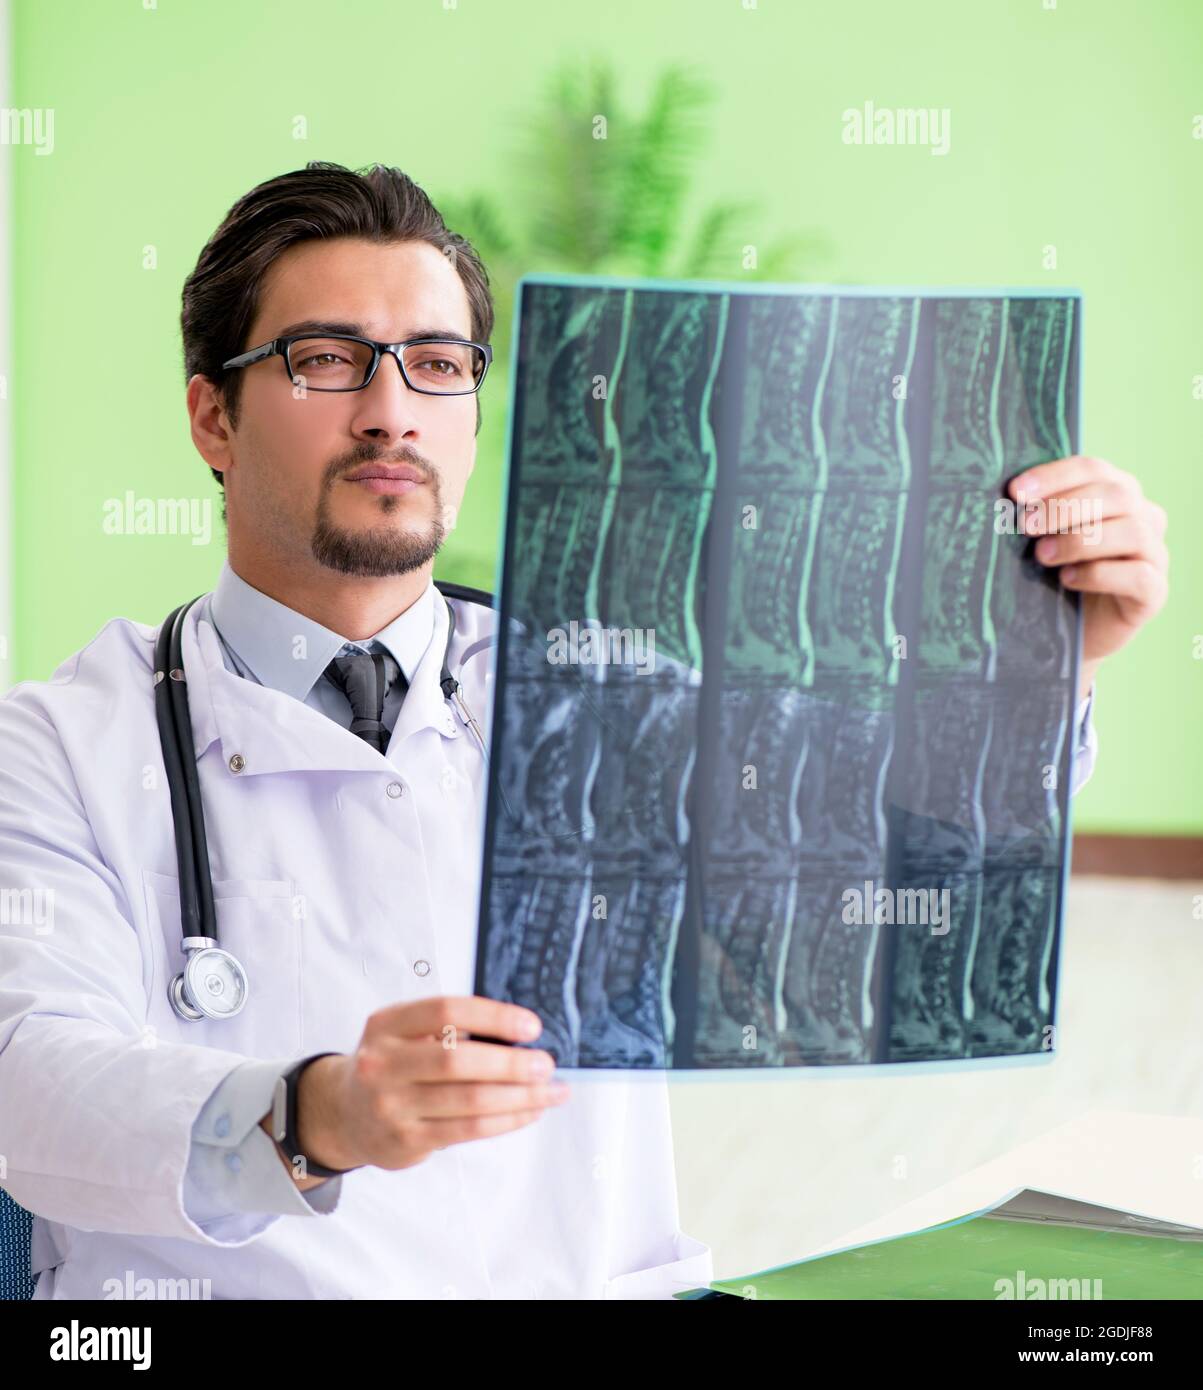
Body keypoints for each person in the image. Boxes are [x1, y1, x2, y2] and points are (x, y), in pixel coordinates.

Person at [0, 162, 1167, 1301]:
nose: (391, 411)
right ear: (213, 414)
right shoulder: (58, 745)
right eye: (326, 360)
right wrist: (317, 1112)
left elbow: (892, 848)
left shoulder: (604, 689)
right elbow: (30, 1082)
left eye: (439, 365)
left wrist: (1056, 662)